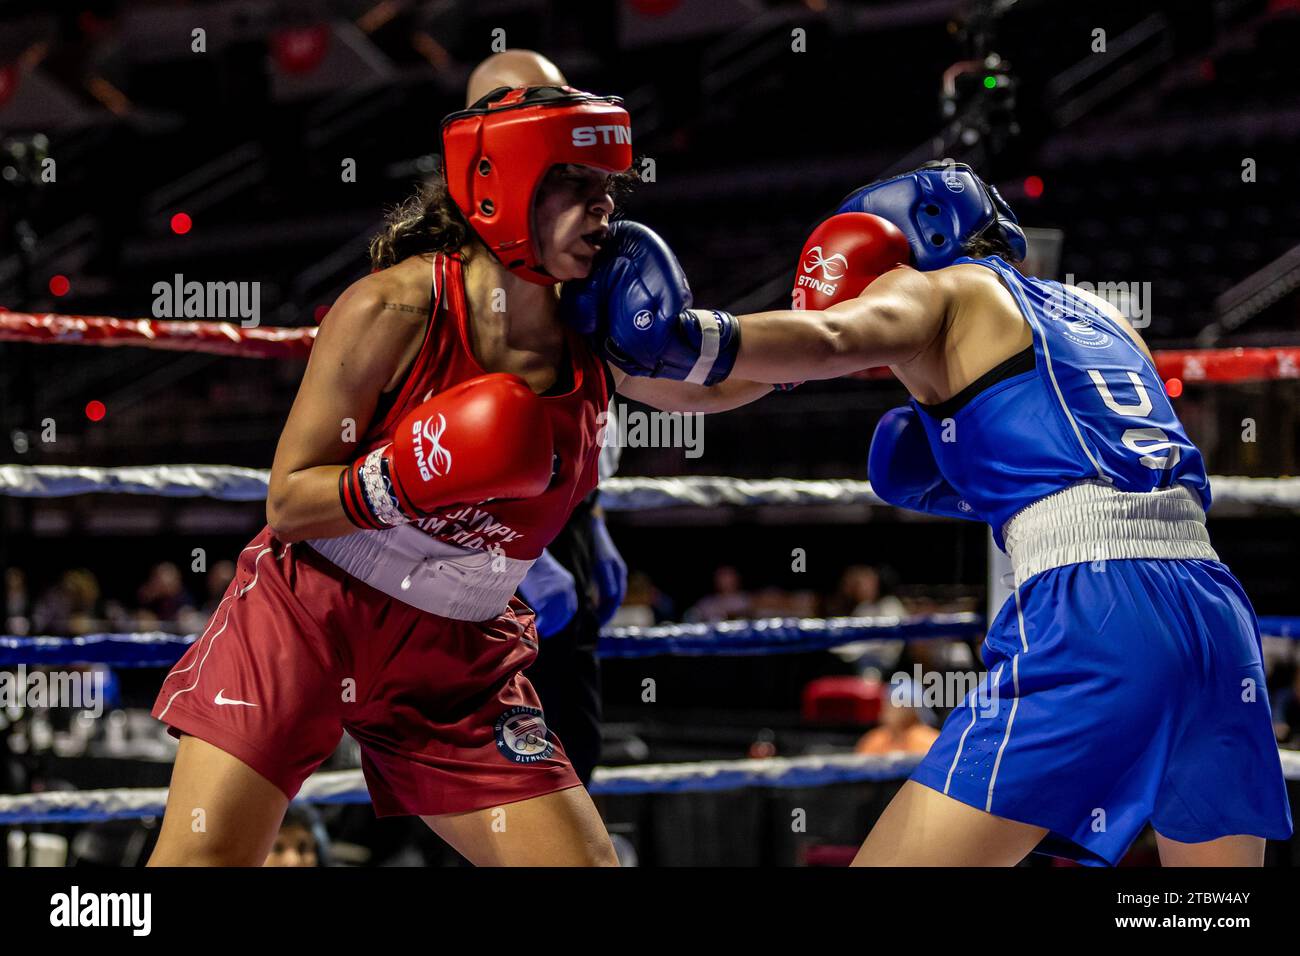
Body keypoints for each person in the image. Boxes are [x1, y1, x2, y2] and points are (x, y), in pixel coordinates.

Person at [566, 161, 1292, 866]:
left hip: (1100, 613)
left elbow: (829, 339)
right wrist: (625, 367)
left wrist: (684, 337)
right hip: (1215, 608)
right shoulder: (1099, 315)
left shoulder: (943, 290)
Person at [147, 52, 774, 867]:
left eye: (607, 184)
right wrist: (407, 475)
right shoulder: (395, 306)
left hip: (460, 655)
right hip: (311, 620)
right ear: (505, 185)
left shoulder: (601, 332)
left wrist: (855, 329)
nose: (606, 205)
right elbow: (288, 504)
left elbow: (724, 383)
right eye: (576, 183)